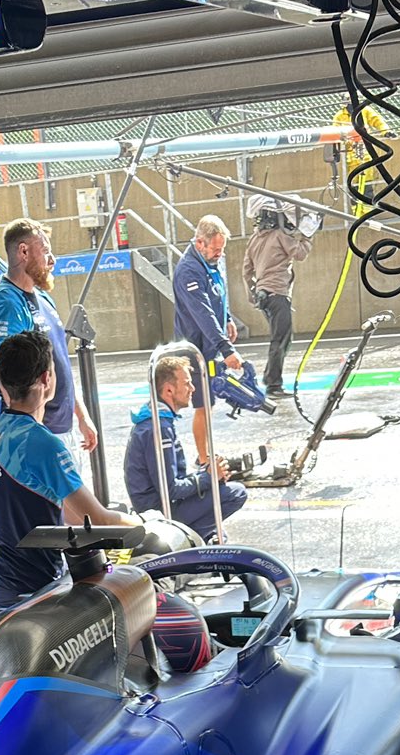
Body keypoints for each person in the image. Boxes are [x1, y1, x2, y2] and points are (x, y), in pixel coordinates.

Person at [0, 331, 133, 613]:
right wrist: (142, 526)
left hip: (4, 582)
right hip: (37, 588)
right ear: (46, 379)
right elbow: (98, 520)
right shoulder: (43, 444)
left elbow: (60, 509)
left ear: (2, 382)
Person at [0, 219, 98, 460]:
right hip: (40, 436)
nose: (52, 259)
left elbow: (58, 362)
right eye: (45, 250)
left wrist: (81, 415)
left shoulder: (42, 298)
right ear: (23, 251)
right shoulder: (6, 303)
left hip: (60, 431)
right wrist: (31, 435)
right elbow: (9, 379)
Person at [123, 354, 247, 541]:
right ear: (169, 390)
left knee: (220, 494)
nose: (193, 388)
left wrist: (209, 475)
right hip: (159, 511)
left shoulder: (158, 419)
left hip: (157, 504)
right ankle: (191, 539)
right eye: (187, 383)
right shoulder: (159, 428)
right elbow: (171, 490)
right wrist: (209, 478)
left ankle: (203, 534)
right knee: (236, 493)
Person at [172, 215, 243, 466]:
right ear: (199, 243)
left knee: (209, 404)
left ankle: (208, 452)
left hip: (209, 346)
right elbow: (203, 312)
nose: (219, 254)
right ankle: (203, 458)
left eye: (221, 249)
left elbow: (217, 297)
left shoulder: (210, 263)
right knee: (202, 404)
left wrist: (228, 318)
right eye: (215, 249)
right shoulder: (188, 271)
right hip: (194, 349)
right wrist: (226, 348)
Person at [243, 199, 312, 398]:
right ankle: (273, 385)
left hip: (264, 296)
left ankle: (271, 380)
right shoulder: (279, 235)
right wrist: (307, 238)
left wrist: (252, 294)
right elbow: (299, 254)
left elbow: (246, 271)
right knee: (281, 339)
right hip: (277, 293)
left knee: (280, 338)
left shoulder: (254, 239)